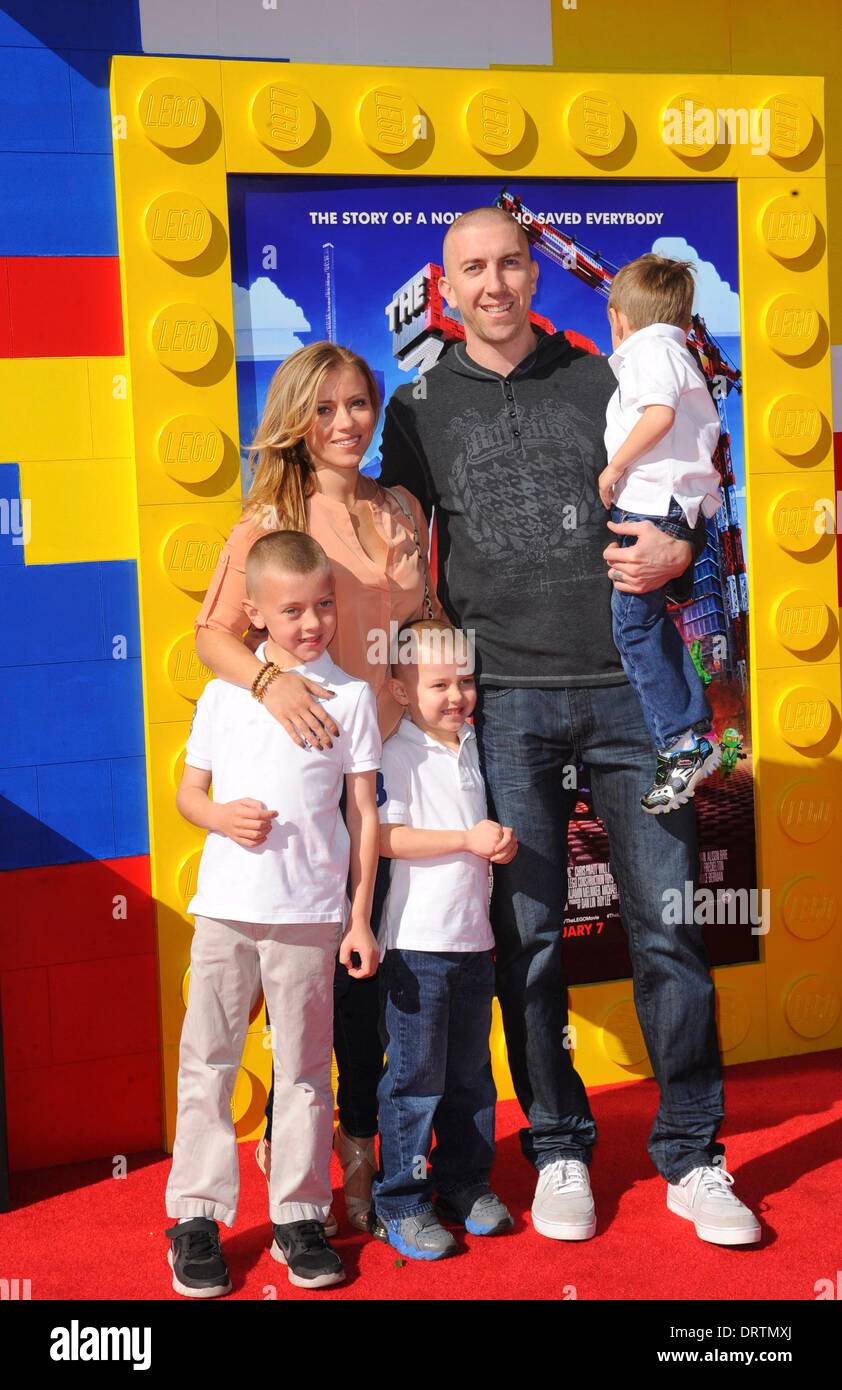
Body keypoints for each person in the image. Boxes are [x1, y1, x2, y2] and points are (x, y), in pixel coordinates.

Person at [378, 205, 760, 1247]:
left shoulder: (605, 373)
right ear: (445, 287)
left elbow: (708, 478)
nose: (493, 282)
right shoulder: (414, 407)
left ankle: (690, 1153)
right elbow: (386, 538)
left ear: (531, 275)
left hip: (632, 696)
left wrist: (684, 552)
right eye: (472, 268)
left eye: (509, 262)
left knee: (671, 931)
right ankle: (556, 1143)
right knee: (529, 941)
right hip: (501, 702)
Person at [194, 341, 440, 1233]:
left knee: (404, 964)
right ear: (299, 418)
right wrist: (273, 683)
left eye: (359, 405)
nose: (347, 423)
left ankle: (387, 1151)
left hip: (406, 762)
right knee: (336, 976)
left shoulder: (403, 506)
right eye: (327, 407)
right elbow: (213, 636)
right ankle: (342, 1160)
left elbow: (424, 620)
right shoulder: (268, 516)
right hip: (316, 775)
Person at [165, 531, 380, 1295]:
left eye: (323, 605)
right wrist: (222, 818)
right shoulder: (226, 695)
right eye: (291, 609)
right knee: (209, 1064)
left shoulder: (351, 698)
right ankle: (195, 1217)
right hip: (225, 911)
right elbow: (189, 795)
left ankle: (297, 1215)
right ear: (252, 612)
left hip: (311, 917)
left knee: (303, 1074)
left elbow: (363, 816)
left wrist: (358, 918)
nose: (311, 622)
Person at [373, 619, 517, 1259]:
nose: (456, 695)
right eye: (439, 684)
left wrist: (498, 841)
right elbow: (385, 840)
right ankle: (402, 1199)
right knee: (413, 1079)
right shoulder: (396, 753)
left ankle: (464, 1182)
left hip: (472, 943)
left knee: (470, 1076)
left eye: (465, 681)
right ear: (402, 690)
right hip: (415, 949)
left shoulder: (477, 748)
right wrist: (467, 839)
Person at [599, 253, 723, 814]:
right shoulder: (678, 352)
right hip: (675, 509)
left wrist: (614, 466)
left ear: (619, 316)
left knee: (632, 629)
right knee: (645, 624)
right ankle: (690, 735)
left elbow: (659, 416)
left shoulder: (649, 350)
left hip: (656, 506)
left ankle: (681, 745)